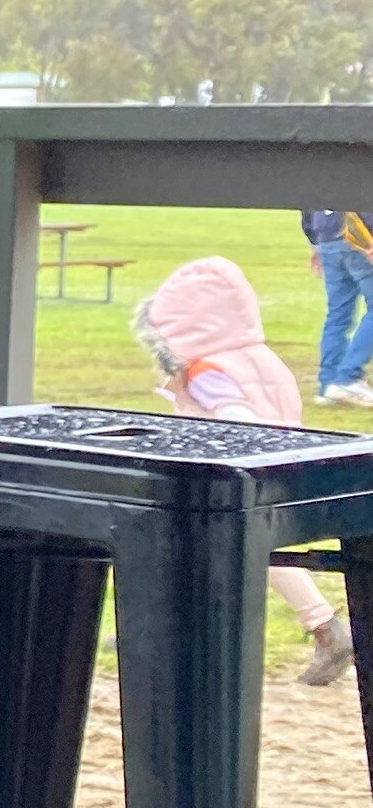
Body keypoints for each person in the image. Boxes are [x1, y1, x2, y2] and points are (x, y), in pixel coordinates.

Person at [134, 257, 357, 684]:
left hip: (237, 486)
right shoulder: (261, 358)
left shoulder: (206, 371)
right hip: (279, 472)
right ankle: (154, 628)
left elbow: (236, 419)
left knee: (238, 554)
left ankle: (327, 628)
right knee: (192, 554)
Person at [302, 209, 373, 407]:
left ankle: (328, 385)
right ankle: (348, 378)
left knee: (338, 314)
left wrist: (315, 242)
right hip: (359, 235)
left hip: (326, 236)